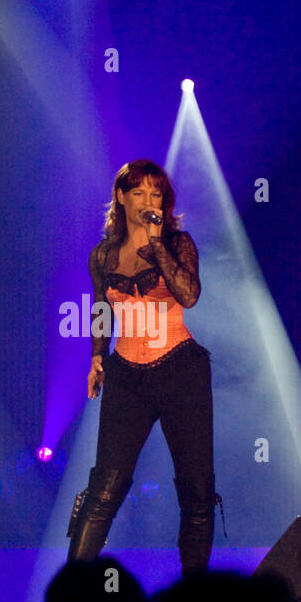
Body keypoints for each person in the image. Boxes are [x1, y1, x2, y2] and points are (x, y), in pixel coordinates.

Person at [66, 159, 223, 575]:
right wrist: (97, 357)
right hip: (126, 374)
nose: (149, 201)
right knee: (104, 488)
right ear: (121, 197)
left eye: (156, 194)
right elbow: (101, 308)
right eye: (139, 193)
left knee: (196, 490)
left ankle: (191, 601)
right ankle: (73, 593)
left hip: (180, 370)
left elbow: (189, 296)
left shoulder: (178, 244)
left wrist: (156, 245)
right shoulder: (103, 255)